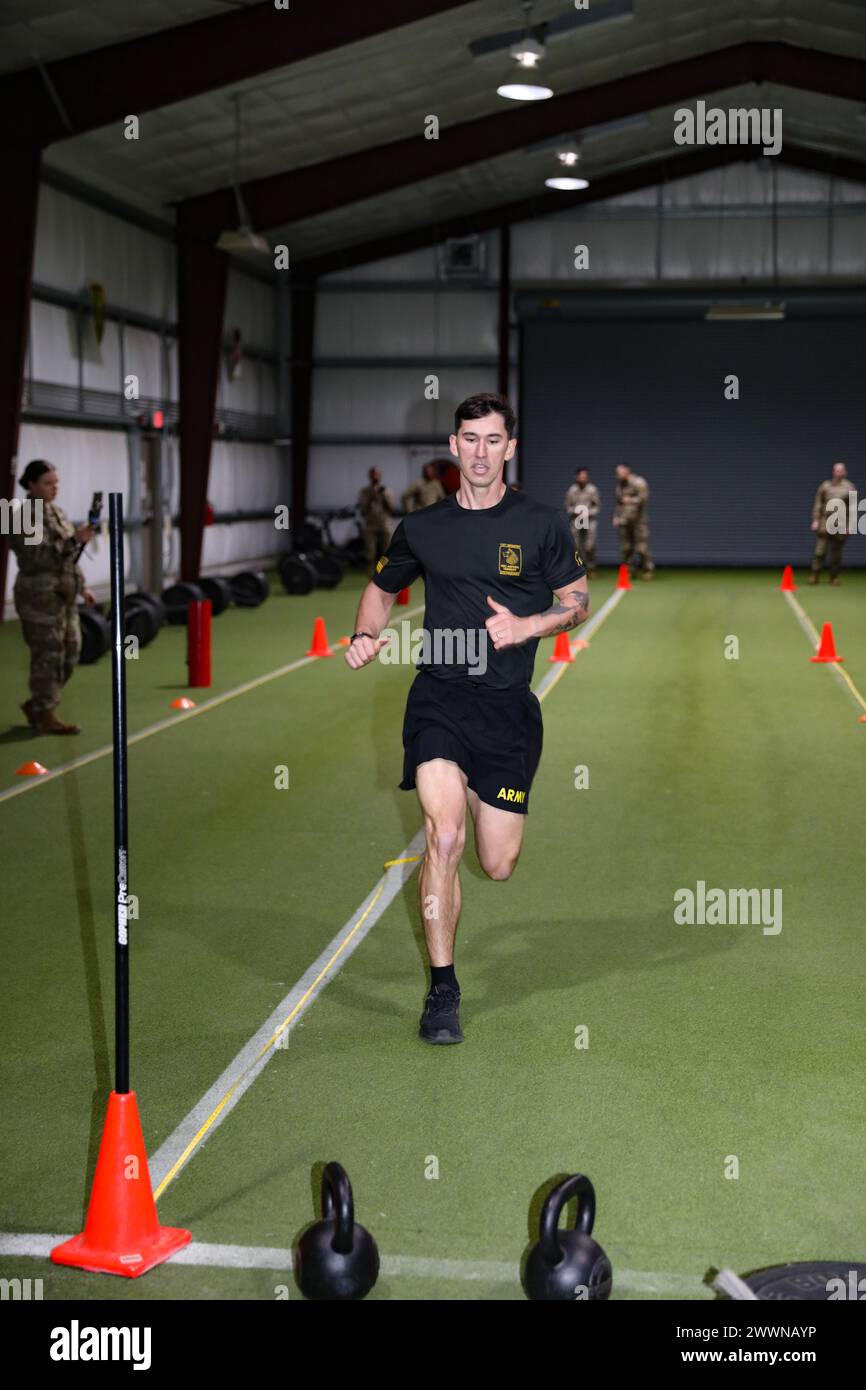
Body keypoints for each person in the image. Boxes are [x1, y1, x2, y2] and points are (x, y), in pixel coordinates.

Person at [345, 393, 589, 1044]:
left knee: (498, 862)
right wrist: (367, 634)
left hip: (507, 710)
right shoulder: (423, 527)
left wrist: (527, 625)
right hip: (440, 699)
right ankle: (443, 989)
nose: (480, 452)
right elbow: (380, 586)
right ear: (453, 447)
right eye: (469, 439)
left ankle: (484, 808)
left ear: (510, 448)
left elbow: (577, 600)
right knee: (443, 836)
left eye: (492, 440)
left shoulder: (541, 524)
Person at [10, 460, 96, 734]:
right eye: (48, 483)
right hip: (39, 598)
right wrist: (74, 540)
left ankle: (38, 705)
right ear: (31, 485)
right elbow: (34, 557)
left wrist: (82, 586)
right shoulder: (19, 513)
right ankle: (45, 712)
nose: (54, 488)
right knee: (48, 655)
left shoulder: (56, 511)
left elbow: (69, 559)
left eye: (56, 483)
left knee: (72, 652)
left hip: (64, 595)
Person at [809, 461, 858, 585]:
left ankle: (834, 577)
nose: (839, 473)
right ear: (833, 472)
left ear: (845, 472)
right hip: (825, 521)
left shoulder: (850, 487)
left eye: (841, 470)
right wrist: (815, 520)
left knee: (836, 553)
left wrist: (849, 526)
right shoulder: (825, 486)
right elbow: (818, 504)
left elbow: (853, 508)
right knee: (820, 551)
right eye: (837, 470)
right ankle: (815, 575)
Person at [614, 463, 653, 579]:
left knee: (642, 547)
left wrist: (630, 500)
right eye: (617, 472)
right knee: (626, 548)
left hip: (638, 521)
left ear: (627, 471)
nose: (617, 475)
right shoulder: (620, 486)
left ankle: (647, 570)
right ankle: (630, 571)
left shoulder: (638, 482)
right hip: (624, 520)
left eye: (620, 472)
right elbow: (619, 503)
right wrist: (616, 516)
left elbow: (644, 498)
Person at [564, 468, 601, 577]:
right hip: (576, 520)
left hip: (589, 520)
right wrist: (575, 511)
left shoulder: (592, 489)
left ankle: (591, 568)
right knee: (576, 546)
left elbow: (597, 506)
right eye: (581, 476)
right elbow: (567, 506)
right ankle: (578, 570)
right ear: (577, 477)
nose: (583, 478)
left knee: (590, 546)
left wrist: (588, 512)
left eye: (585, 476)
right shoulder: (572, 490)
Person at [358, 467, 395, 575]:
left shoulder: (386, 490)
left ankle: (383, 574)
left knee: (386, 553)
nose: (375, 477)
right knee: (370, 553)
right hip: (370, 525)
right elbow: (363, 510)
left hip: (384, 524)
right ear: (370, 476)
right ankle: (371, 576)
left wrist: (383, 495)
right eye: (373, 474)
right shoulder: (365, 491)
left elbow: (391, 508)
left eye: (377, 474)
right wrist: (370, 497)